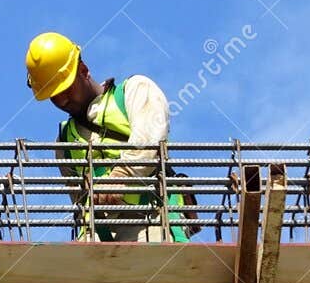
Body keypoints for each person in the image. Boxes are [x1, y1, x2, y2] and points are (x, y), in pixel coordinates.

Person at [24, 30, 191, 242]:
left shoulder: (134, 90)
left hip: (151, 221)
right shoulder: (65, 141)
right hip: (97, 237)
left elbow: (150, 144)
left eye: (66, 89)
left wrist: (119, 176)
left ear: (83, 71)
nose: (62, 100)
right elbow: (80, 201)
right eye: (53, 96)